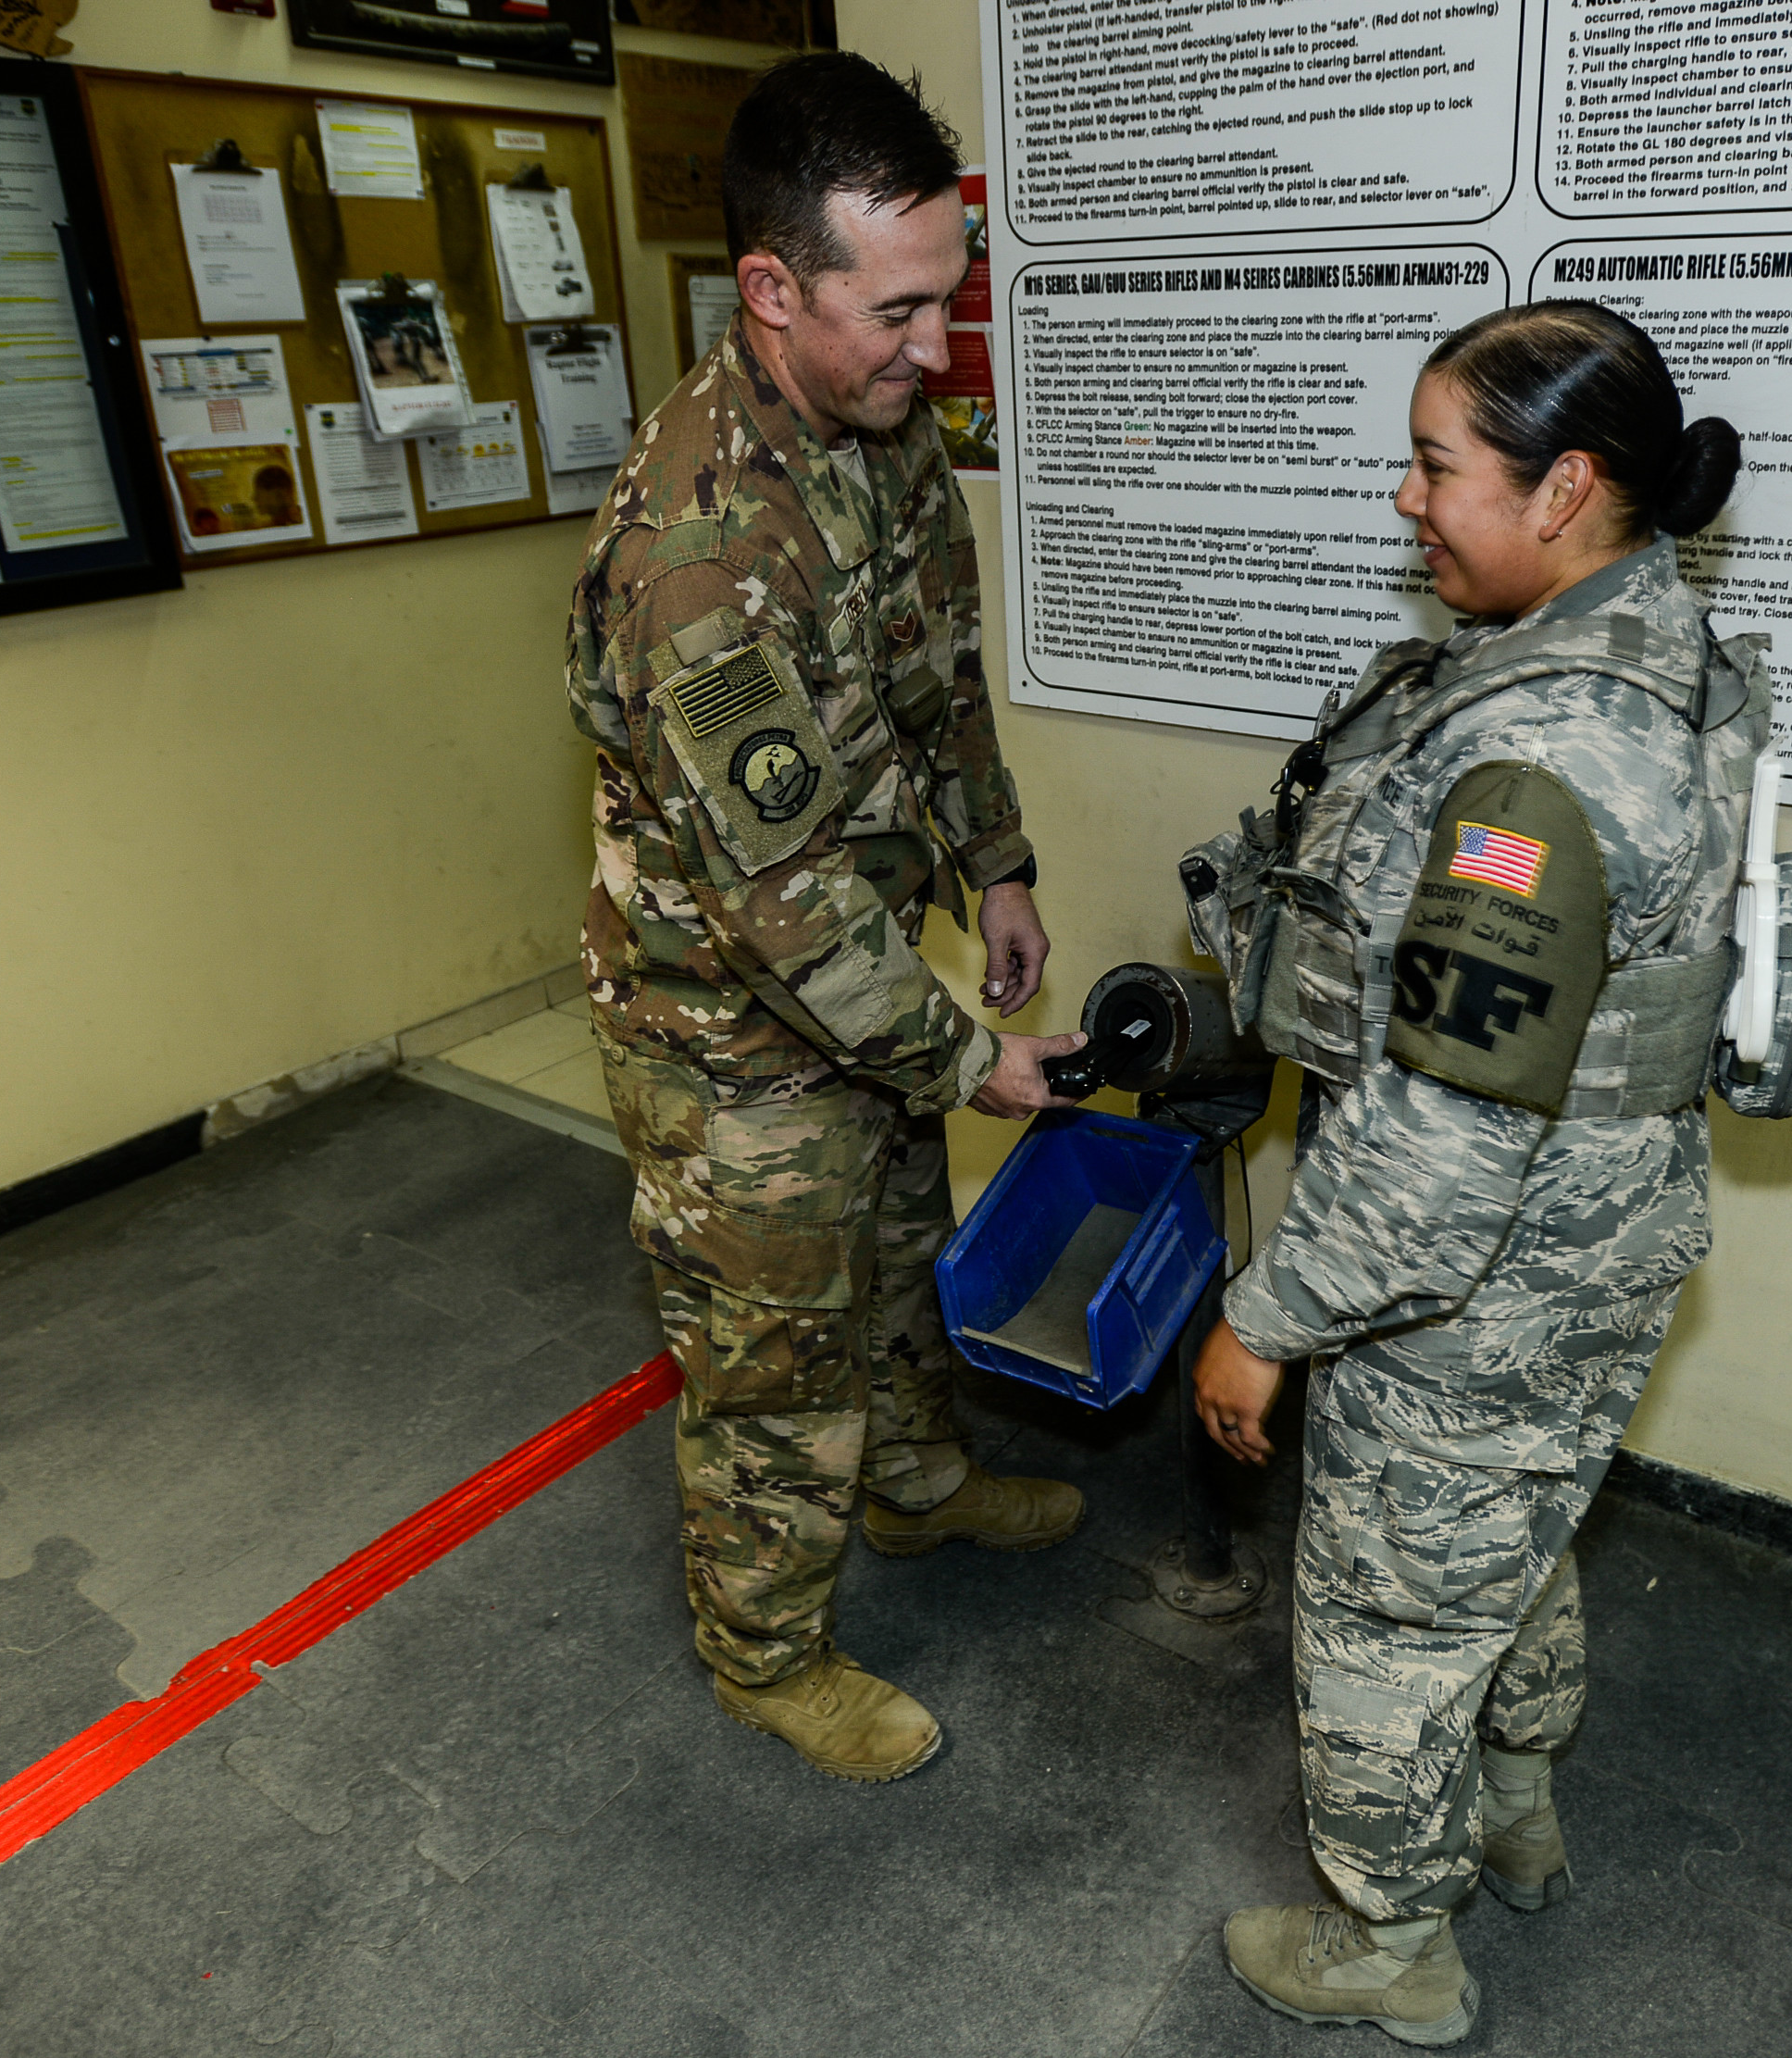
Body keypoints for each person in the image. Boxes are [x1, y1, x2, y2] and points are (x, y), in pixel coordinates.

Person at [1187, 302, 1758, 2044]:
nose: (1409, 500)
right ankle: (1513, 1810)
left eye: (1439, 465)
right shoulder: (1668, 644)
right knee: (1511, 1534)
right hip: (1605, 1243)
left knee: (1380, 1605)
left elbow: (1442, 1146)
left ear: (1567, 484)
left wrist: (1265, 1323)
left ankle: (1389, 1950)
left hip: (1476, 1281)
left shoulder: (1541, 756)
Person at [566, 53, 1089, 1785]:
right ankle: (767, 1651)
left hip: (866, 970)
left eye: (952, 300)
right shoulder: (694, 554)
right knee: (773, 1357)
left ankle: (921, 1492)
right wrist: (973, 1056)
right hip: (732, 1032)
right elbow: (775, 906)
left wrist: (994, 864)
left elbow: (939, 657)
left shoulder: (883, 418)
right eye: (900, 310)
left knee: (892, 1268)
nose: (936, 349)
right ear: (774, 289)